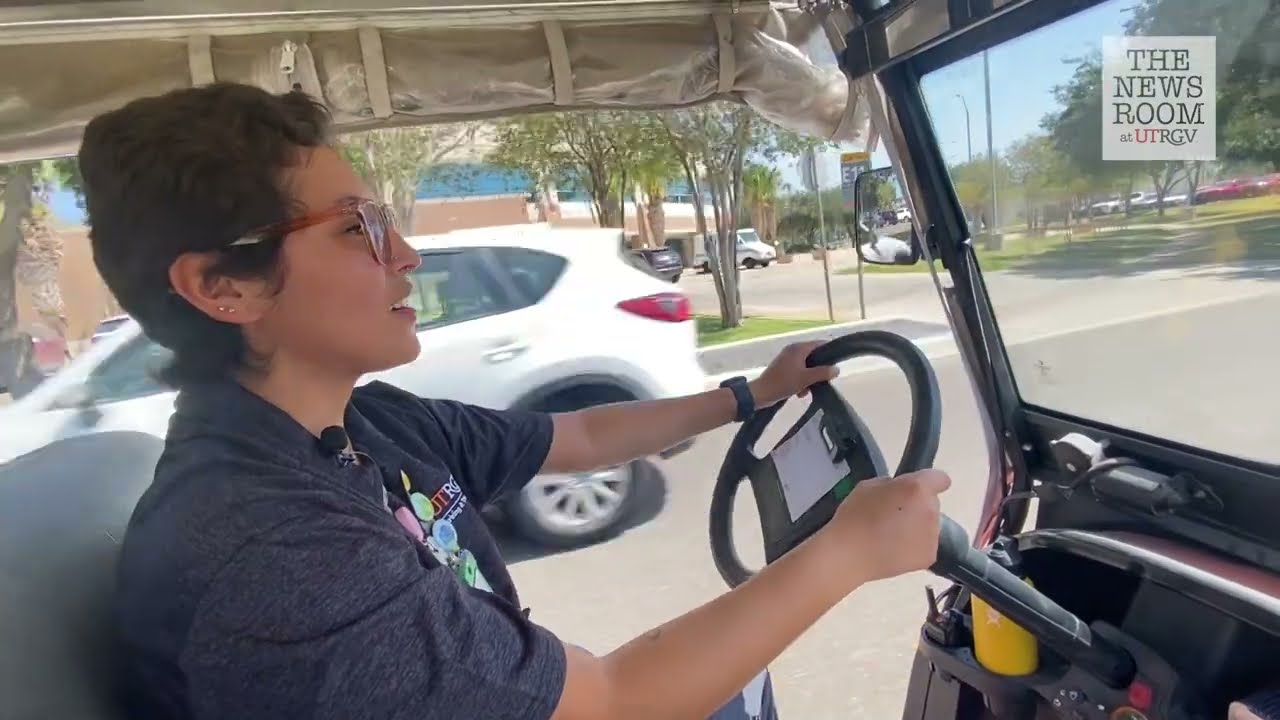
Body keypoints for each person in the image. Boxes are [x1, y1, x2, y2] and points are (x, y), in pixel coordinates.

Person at [79, 82, 952, 720]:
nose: (405, 255)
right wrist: (850, 552)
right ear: (224, 287)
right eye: (357, 229)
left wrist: (749, 395)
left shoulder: (363, 424)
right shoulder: (270, 549)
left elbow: (579, 435)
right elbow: (612, 703)